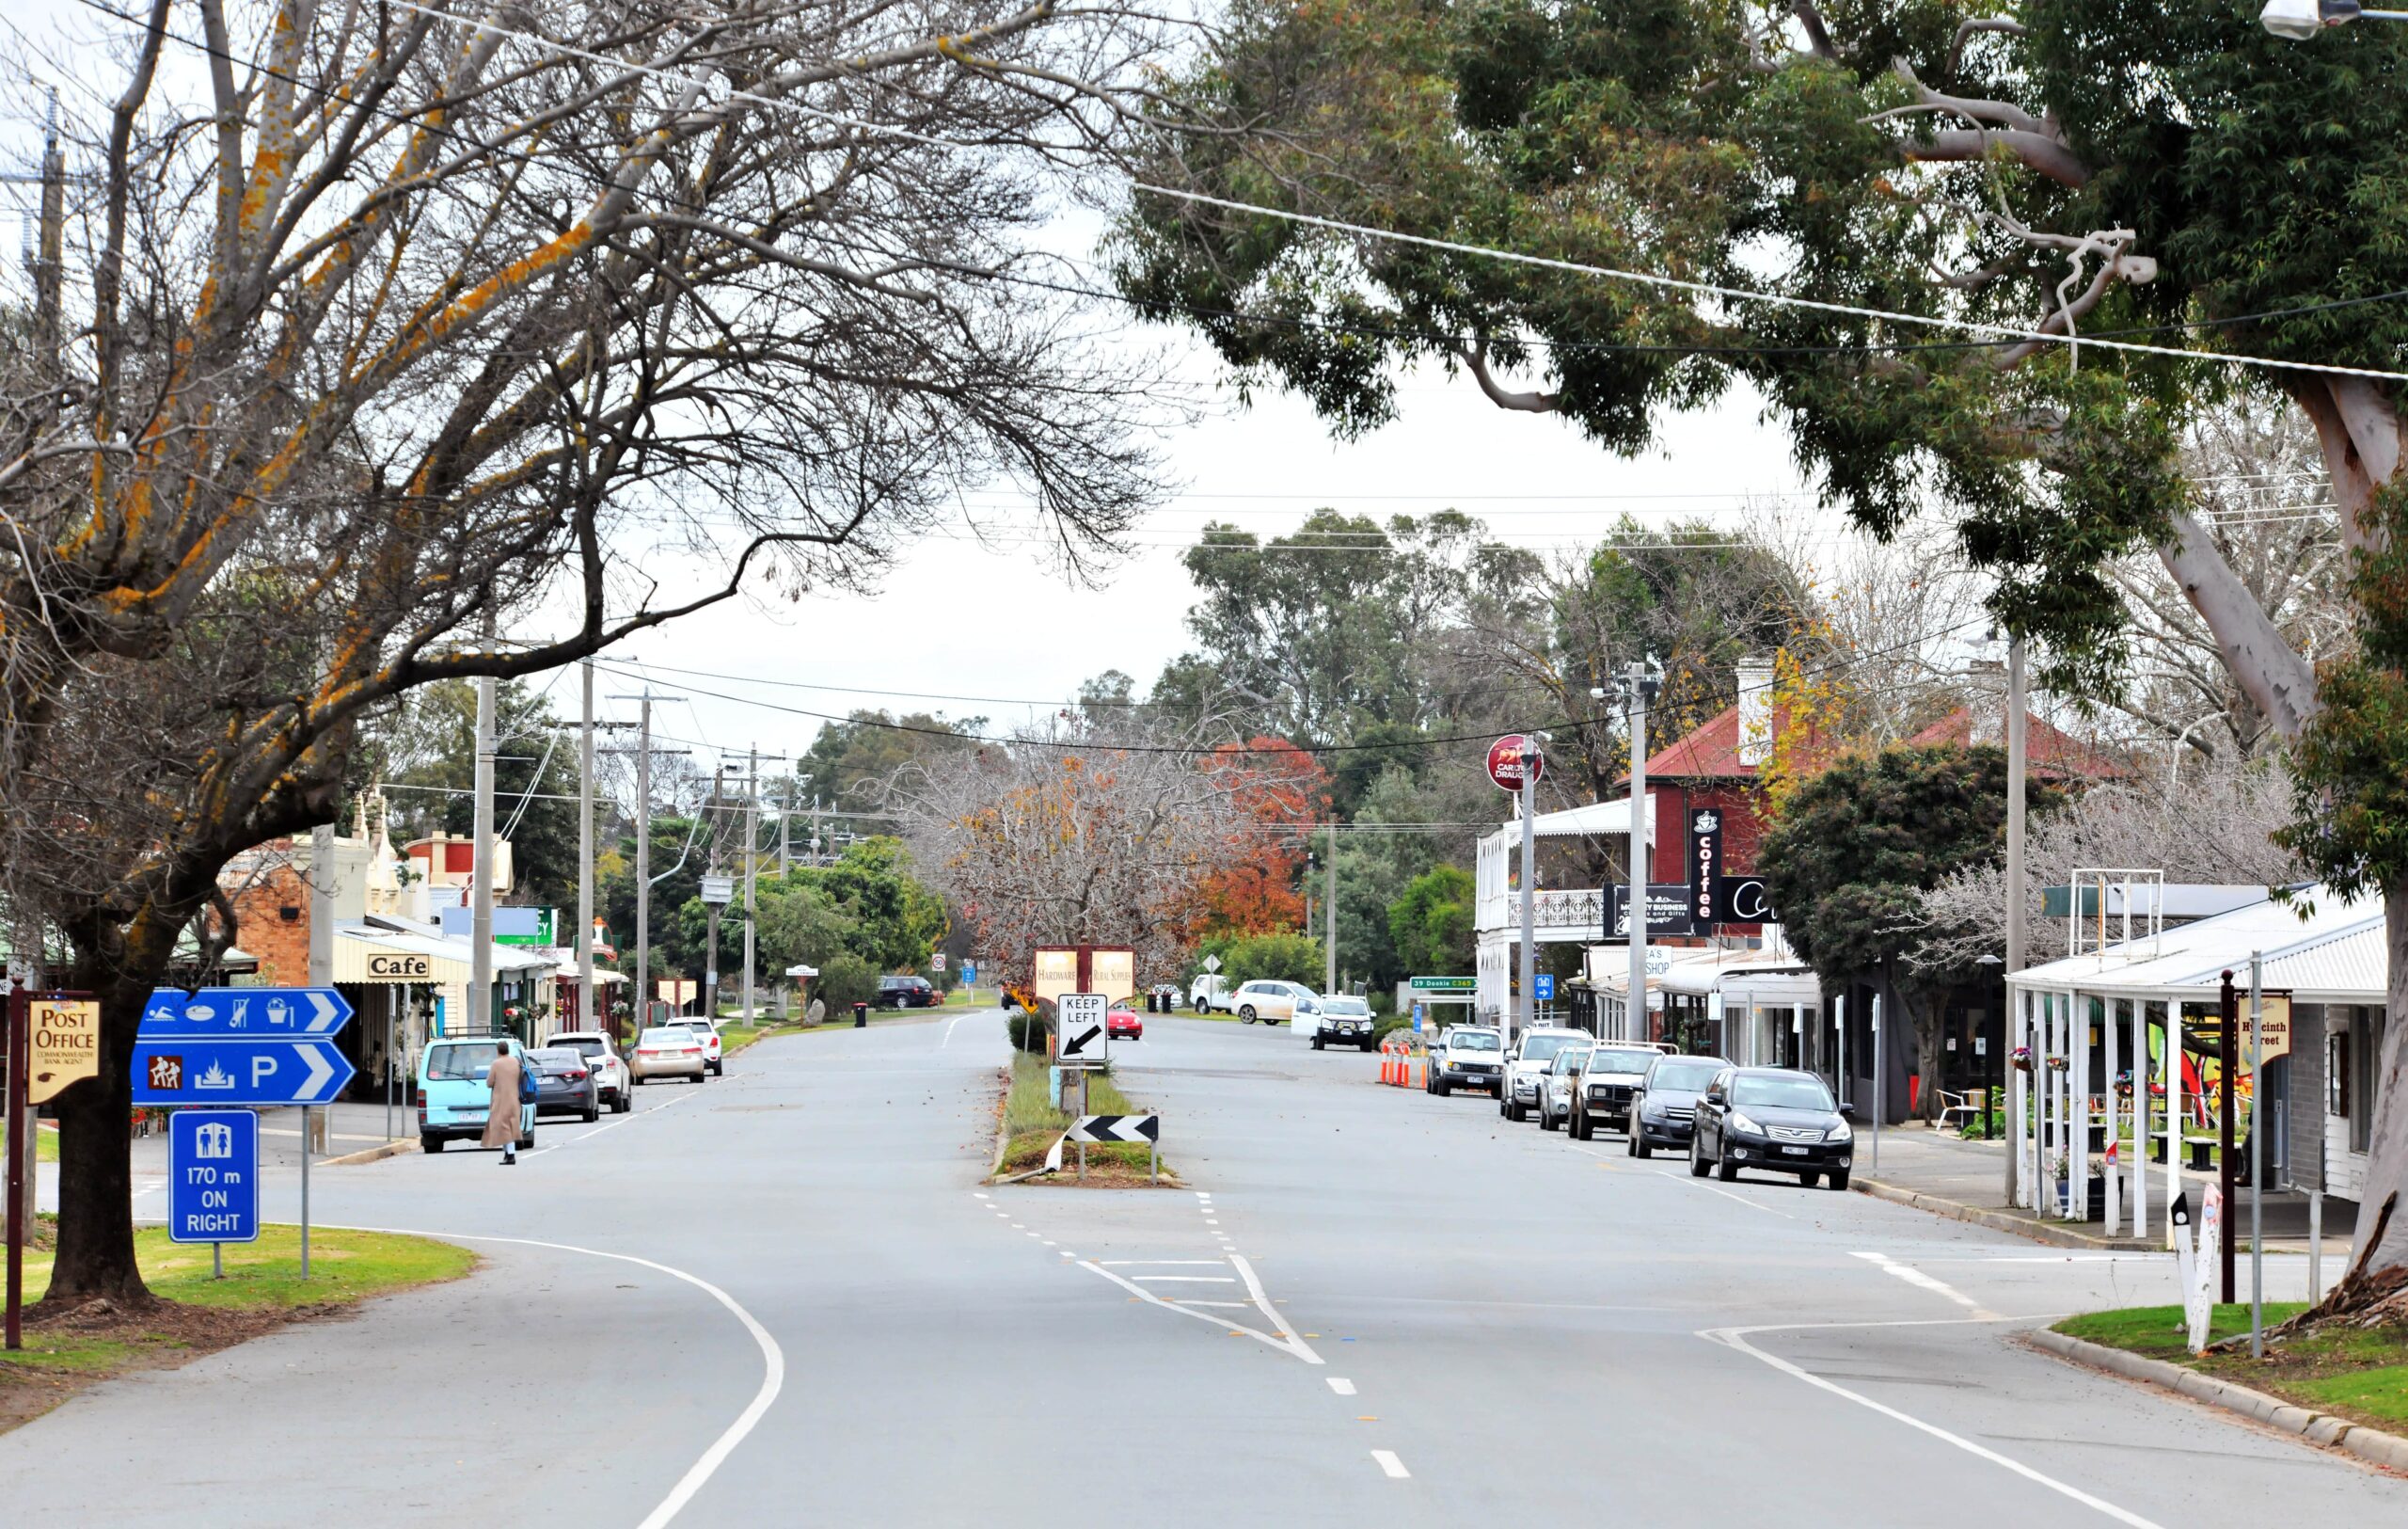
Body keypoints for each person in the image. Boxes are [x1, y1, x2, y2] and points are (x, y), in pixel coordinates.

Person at [482, 1041, 526, 1165]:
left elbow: (489, 1083)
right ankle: (507, 1154)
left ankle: (511, 1155)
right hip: (515, 1099)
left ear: (498, 1051)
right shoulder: (516, 1062)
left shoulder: (496, 1064)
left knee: (504, 1128)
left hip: (501, 1101)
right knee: (510, 1126)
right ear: (508, 1050)